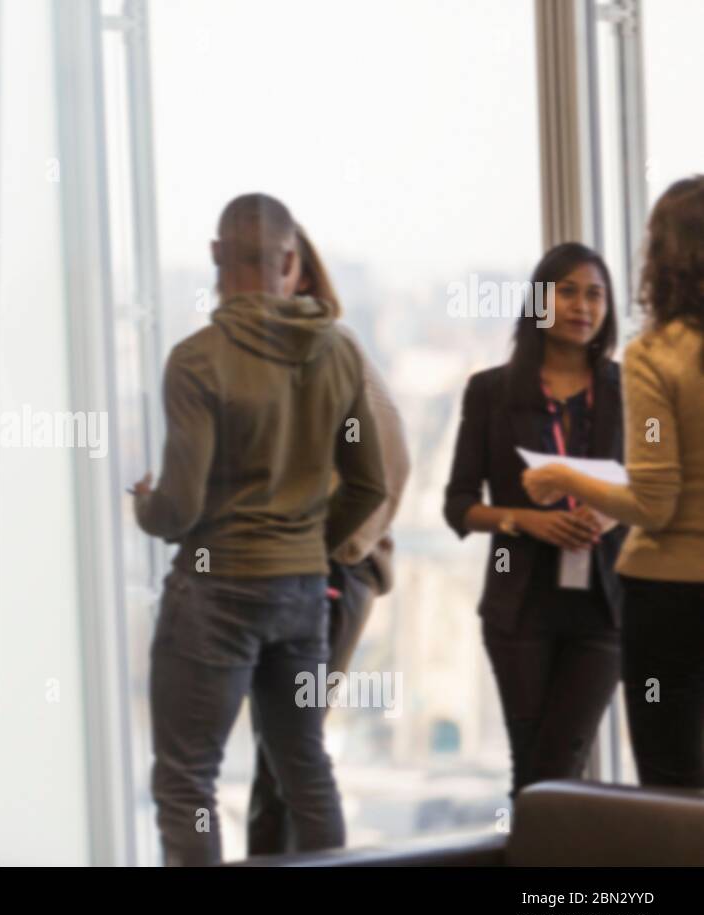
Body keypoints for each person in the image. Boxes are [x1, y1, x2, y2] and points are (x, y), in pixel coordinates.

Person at [133, 193, 386, 865]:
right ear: (290, 259)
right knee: (305, 768)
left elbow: (179, 511)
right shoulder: (339, 354)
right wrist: (308, 540)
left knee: (188, 780)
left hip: (215, 596)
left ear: (216, 256)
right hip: (302, 597)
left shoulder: (197, 360)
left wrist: (144, 504)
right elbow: (372, 485)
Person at [524, 176, 704, 789]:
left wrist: (560, 475)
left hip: (671, 602)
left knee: (672, 779)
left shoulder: (656, 357)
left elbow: (654, 500)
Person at [247, 226, 410, 855]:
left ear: (303, 275)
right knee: (277, 755)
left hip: (333, 575)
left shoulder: (335, 349)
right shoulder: (248, 362)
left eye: (271, 265)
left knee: (292, 757)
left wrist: (332, 558)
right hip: (274, 580)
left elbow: (387, 467)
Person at [445, 242, 626, 799]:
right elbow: (458, 504)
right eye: (566, 291)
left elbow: (660, 490)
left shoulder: (630, 391)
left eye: (594, 294)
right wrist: (525, 520)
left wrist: (616, 512)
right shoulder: (492, 391)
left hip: (604, 607)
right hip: (520, 607)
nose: (581, 306)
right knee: (531, 767)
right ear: (539, 303)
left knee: (560, 758)